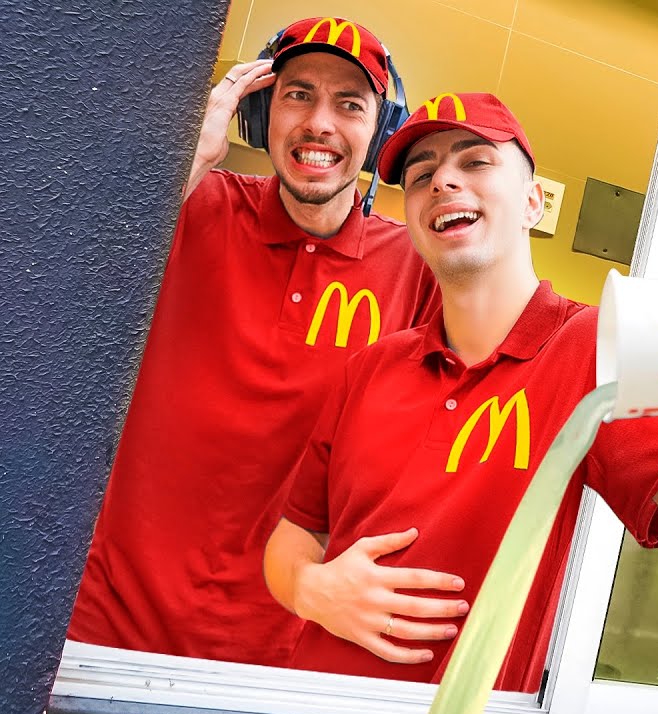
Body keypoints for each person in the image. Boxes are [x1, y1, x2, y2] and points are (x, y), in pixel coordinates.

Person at [262, 92, 658, 691]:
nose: (442, 182)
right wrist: (311, 589)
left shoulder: (598, 348)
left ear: (532, 201)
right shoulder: (370, 368)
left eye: (475, 162)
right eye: (421, 176)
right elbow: (294, 537)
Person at [68, 17, 438, 667]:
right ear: (260, 112)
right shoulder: (194, 207)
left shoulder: (416, 266)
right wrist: (194, 152)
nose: (320, 122)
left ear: (378, 133)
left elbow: (528, 343)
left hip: (277, 651)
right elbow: (63, 286)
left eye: (349, 103)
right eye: (297, 94)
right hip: (109, 623)